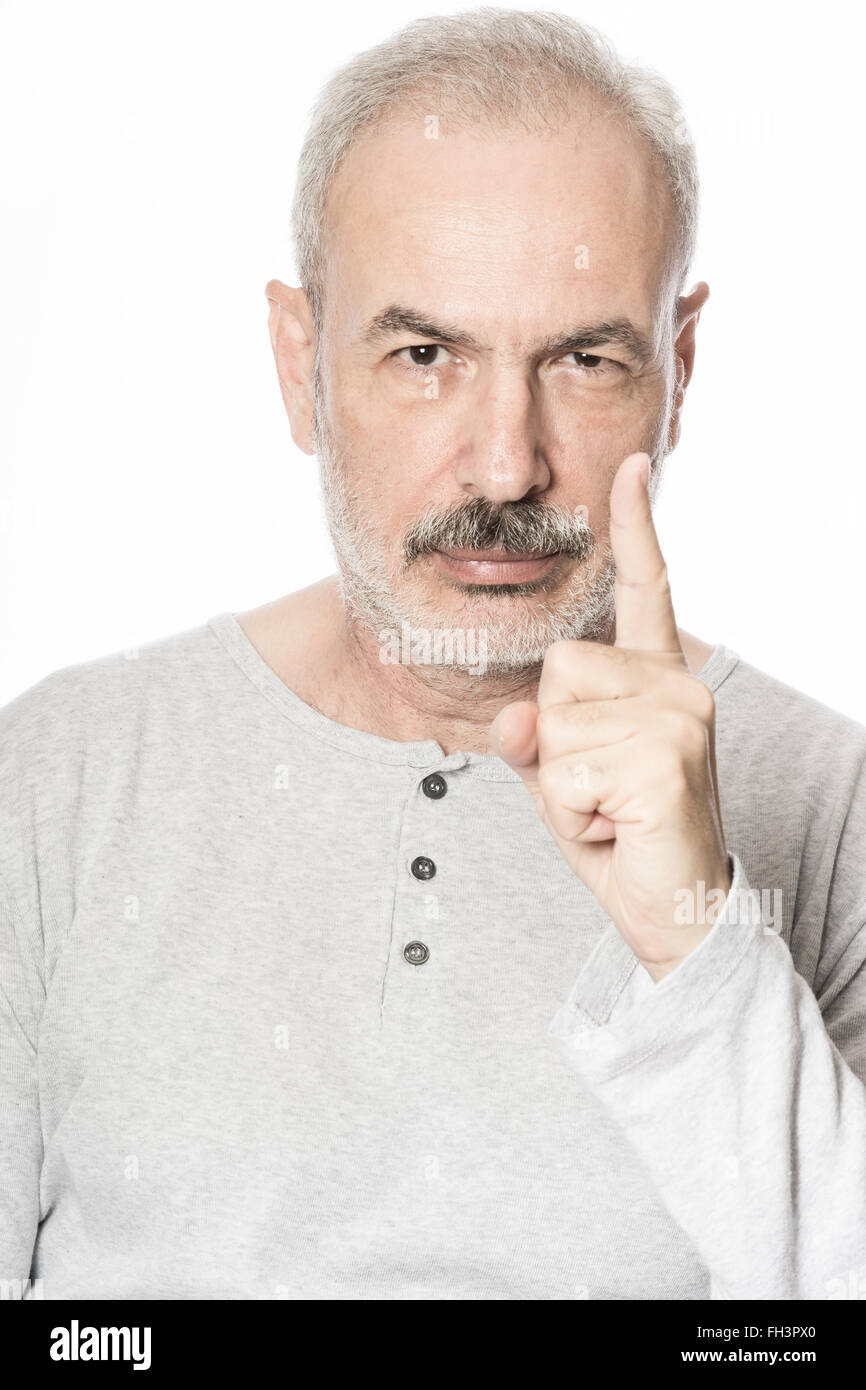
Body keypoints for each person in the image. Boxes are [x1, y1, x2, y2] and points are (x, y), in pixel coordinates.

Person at [1, 8, 864, 1302]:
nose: (505, 464)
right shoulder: (57, 787)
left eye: (582, 358)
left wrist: (696, 949)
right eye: (423, 355)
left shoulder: (831, 806)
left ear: (676, 368)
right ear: (300, 367)